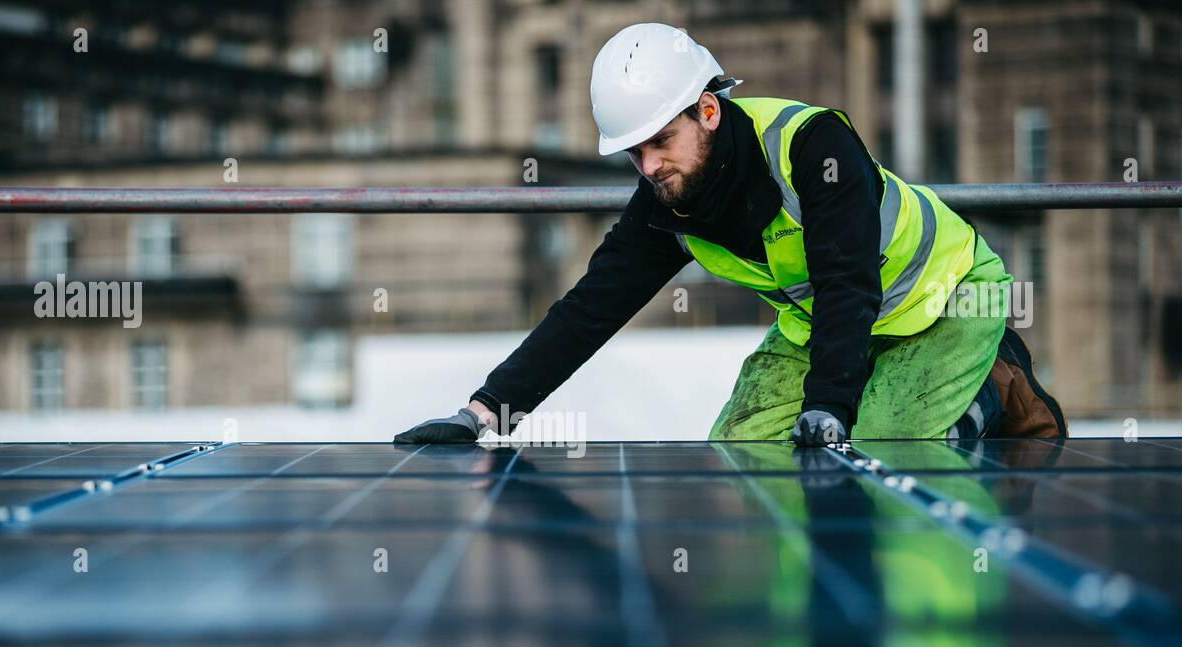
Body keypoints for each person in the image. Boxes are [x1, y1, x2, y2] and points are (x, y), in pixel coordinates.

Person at [394, 22, 1066, 447]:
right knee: (742, 450)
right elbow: (590, 309)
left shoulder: (811, 147)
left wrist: (830, 405)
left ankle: (995, 385)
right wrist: (485, 412)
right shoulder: (668, 199)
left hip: (939, 304)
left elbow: (846, 281)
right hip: (825, 329)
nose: (649, 165)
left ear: (707, 110)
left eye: (661, 141)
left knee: (885, 440)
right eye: (634, 152)